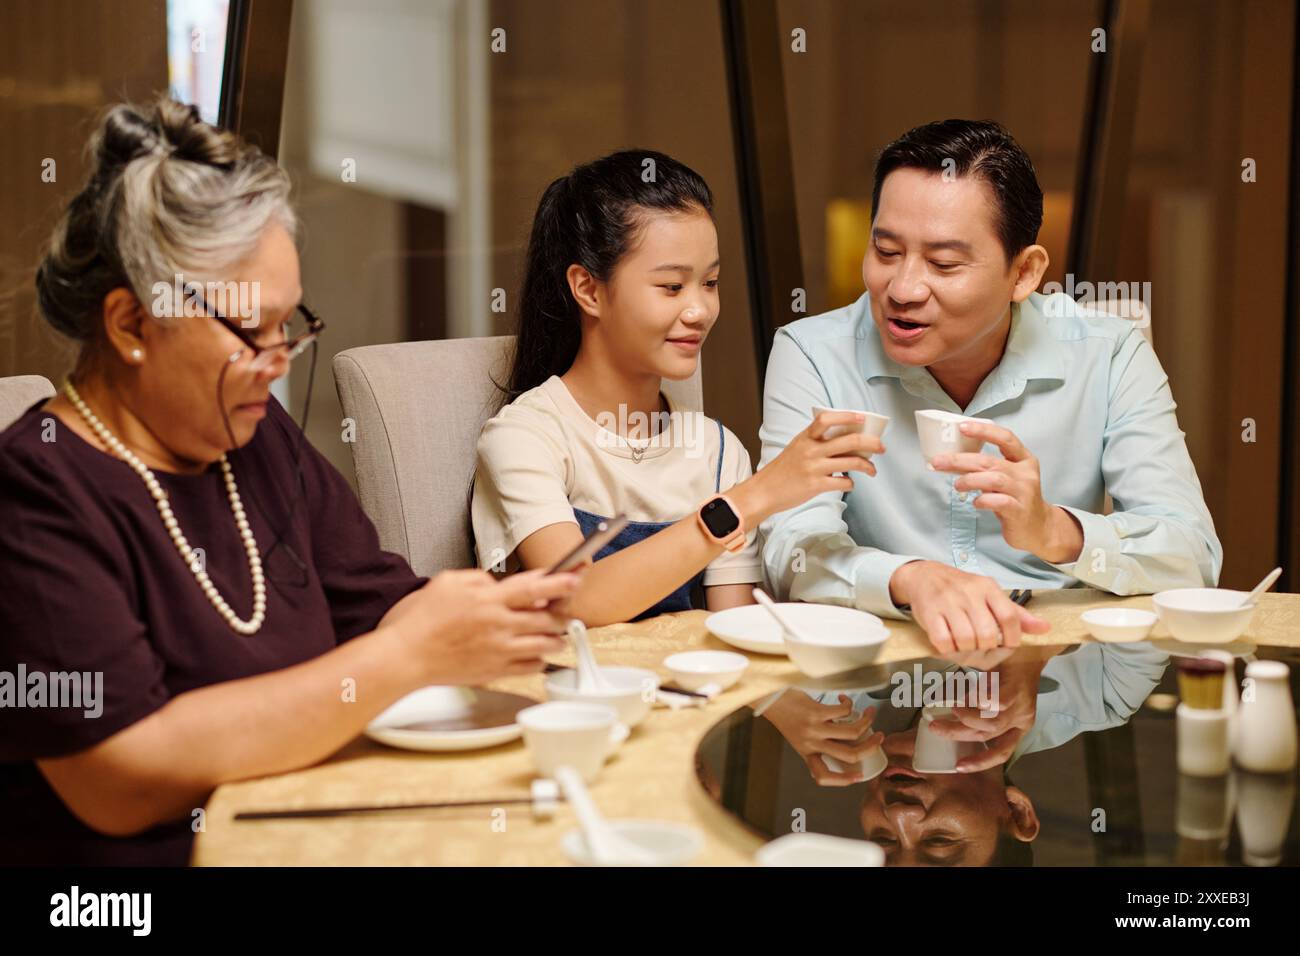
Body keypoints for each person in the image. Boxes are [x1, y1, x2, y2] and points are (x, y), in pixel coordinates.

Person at [0, 98, 577, 865]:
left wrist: (468, 616)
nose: (280, 360)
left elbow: (379, 612)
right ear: (131, 324)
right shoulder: (36, 492)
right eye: (250, 331)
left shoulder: (257, 438)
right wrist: (408, 657)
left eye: (289, 325)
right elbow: (120, 775)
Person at [759, 119, 1221, 651]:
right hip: (883, 674)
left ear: (1023, 273)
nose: (903, 288)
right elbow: (787, 548)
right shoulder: (814, 353)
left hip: (1059, 663)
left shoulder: (1109, 353)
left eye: (944, 263)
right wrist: (910, 579)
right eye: (886, 252)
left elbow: (1193, 555)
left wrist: (1054, 530)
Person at [472, 150, 881, 625]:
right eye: (671, 287)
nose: (700, 310)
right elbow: (577, 601)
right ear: (588, 290)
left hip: (691, 696)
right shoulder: (524, 438)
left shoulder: (717, 451)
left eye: (710, 282)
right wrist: (755, 497)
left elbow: (732, 634)